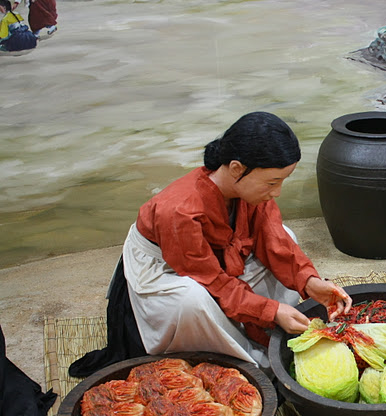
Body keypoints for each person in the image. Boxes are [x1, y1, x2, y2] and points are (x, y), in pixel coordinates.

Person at [72, 112, 352, 377]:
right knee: (191, 300)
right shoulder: (179, 210)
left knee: (287, 235)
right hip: (170, 269)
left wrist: (310, 282)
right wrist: (271, 310)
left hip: (218, 260)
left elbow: (275, 241)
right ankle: (247, 355)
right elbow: (211, 281)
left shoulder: (250, 190)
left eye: (282, 182)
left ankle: (270, 329)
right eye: (272, 183)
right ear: (236, 168)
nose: (276, 192)